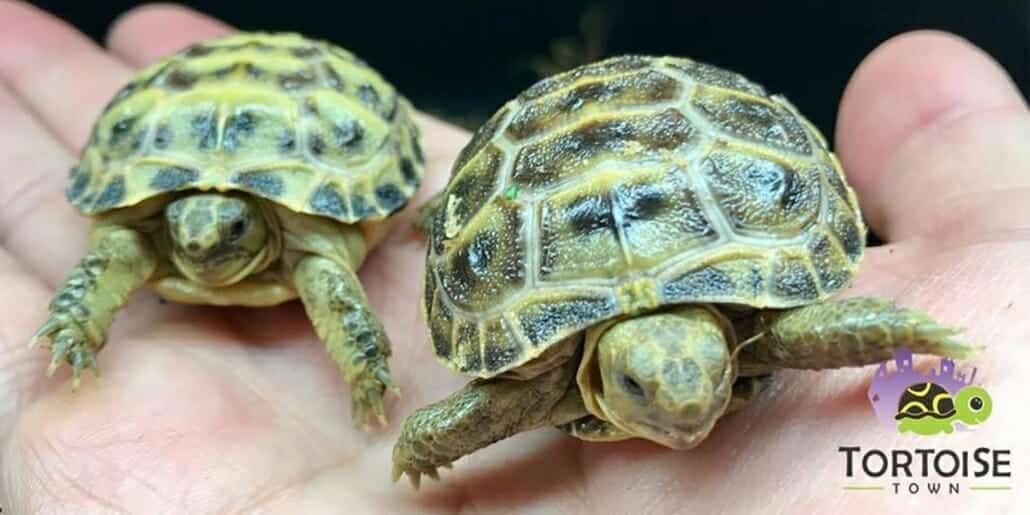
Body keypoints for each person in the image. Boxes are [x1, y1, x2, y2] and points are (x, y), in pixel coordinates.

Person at [0, 2, 1025, 512]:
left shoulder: (768, 333)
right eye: (647, 386)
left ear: (729, 349)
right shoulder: (542, 383)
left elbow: (857, 343)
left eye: (704, 379)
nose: (685, 410)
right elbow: (464, 416)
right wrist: (413, 443)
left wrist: (953, 396)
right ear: (598, 371)